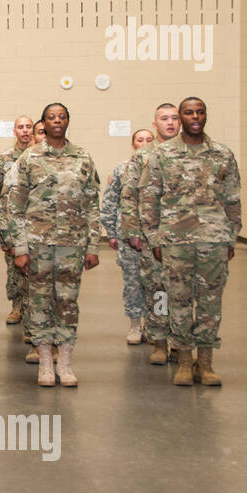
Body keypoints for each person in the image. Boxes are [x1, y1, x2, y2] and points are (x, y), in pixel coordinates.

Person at [140, 97, 242, 386]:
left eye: (200, 112)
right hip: (176, 241)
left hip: (214, 239)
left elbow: (233, 198)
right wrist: (153, 236)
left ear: (205, 115)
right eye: (189, 112)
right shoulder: (162, 154)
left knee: (211, 302)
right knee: (180, 301)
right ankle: (184, 359)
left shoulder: (222, 154)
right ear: (181, 117)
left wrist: (231, 235)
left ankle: (206, 362)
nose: (195, 116)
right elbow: (149, 197)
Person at [9, 104, 100, 387]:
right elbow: (16, 205)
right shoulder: (30, 157)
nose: (57, 121)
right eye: (51, 117)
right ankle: (46, 363)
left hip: (72, 245)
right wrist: (20, 248)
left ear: (68, 121)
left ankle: (66, 362)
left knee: (67, 302)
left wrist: (93, 245)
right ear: (44, 124)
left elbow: (92, 204)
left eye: (61, 117)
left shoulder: (82, 157)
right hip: (39, 245)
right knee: (39, 302)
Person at [119, 103, 182, 365]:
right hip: (152, 235)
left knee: (183, 292)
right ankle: (159, 341)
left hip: (184, 235)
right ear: (154, 124)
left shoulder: (190, 154)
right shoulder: (143, 156)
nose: (170, 123)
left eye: (174, 118)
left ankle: (181, 342)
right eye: (164, 119)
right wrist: (132, 230)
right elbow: (129, 194)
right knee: (158, 290)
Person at [101, 128, 155, 345]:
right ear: (133, 145)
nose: (144, 143)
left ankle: (155, 326)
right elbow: (110, 202)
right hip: (128, 236)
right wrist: (111, 232)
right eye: (140, 140)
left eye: (149, 139)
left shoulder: (162, 166)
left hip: (155, 238)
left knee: (158, 286)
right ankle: (135, 324)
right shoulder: (121, 169)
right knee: (133, 282)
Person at [0, 115, 35, 328]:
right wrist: (0, 226)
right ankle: (17, 306)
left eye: (29, 127)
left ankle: (31, 311)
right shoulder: (4, 158)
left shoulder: (38, 156)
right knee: (14, 270)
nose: (25, 131)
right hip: (10, 222)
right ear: (14, 131)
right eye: (21, 127)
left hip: (35, 224)